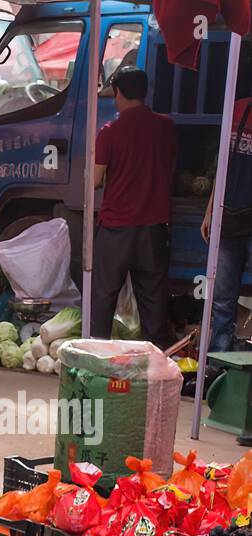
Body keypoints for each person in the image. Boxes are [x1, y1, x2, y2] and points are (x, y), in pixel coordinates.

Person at [90, 67, 177, 346]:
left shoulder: (110, 132)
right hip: (153, 228)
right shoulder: (167, 127)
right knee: (153, 301)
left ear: (118, 93)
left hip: (116, 229)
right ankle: (155, 360)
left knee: (104, 296)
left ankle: (97, 355)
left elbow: (94, 181)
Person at [203, 72, 252, 352]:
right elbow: (223, 166)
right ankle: (219, 364)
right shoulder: (237, 109)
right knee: (222, 300)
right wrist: (211, 210)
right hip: (230, 218)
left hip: (233, 217)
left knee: (223, 300)